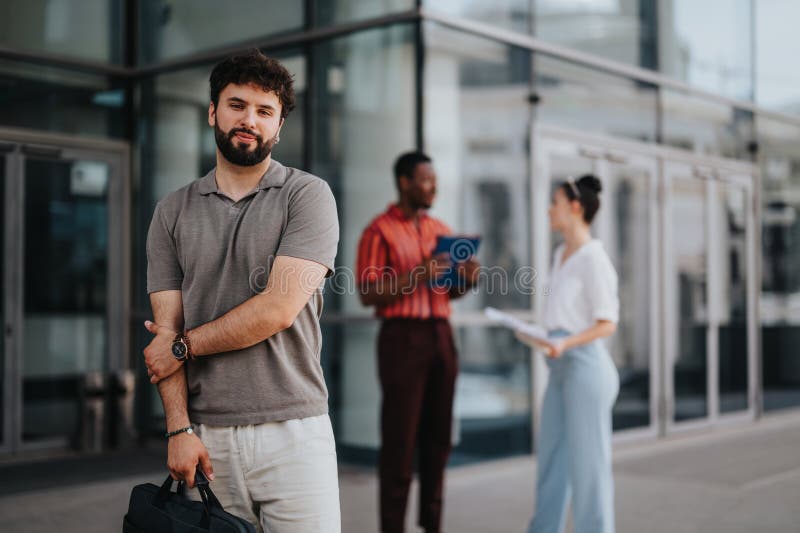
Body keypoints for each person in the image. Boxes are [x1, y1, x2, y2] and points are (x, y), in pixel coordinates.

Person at [143, 50, 340, 533]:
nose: (248, 120)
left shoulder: (307, 196)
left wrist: (184, 346)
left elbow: (277, 308)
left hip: (295, 432)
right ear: (212, 112)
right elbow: (163, 333)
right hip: (206, 437)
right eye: (236, 105)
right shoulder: (172, 211)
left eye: (264, 111)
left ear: (279, 128)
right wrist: (178, 428)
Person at [356, 152, 480, 533]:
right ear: (405, 182)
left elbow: (448, 292)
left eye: (435, 179)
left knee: (438, 439)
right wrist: (417, 274)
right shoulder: (378, 231)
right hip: (401, 339)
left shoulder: (440, 230)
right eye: (425, 179)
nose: (433, 186)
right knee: (399, 441)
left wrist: (467, 280)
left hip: (441, 336)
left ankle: (432, 524)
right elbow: (368, 293)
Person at [516, 174, 620, 533]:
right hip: (559, 367)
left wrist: (565, 342)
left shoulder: (594, 258)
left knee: (589, 469)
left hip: (586, 369)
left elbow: (607, 323)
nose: (549, 209)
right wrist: (542, 336)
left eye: (555, 202)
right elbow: (564, 316)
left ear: (575, 208)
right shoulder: (562, 254)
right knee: (551, 463)